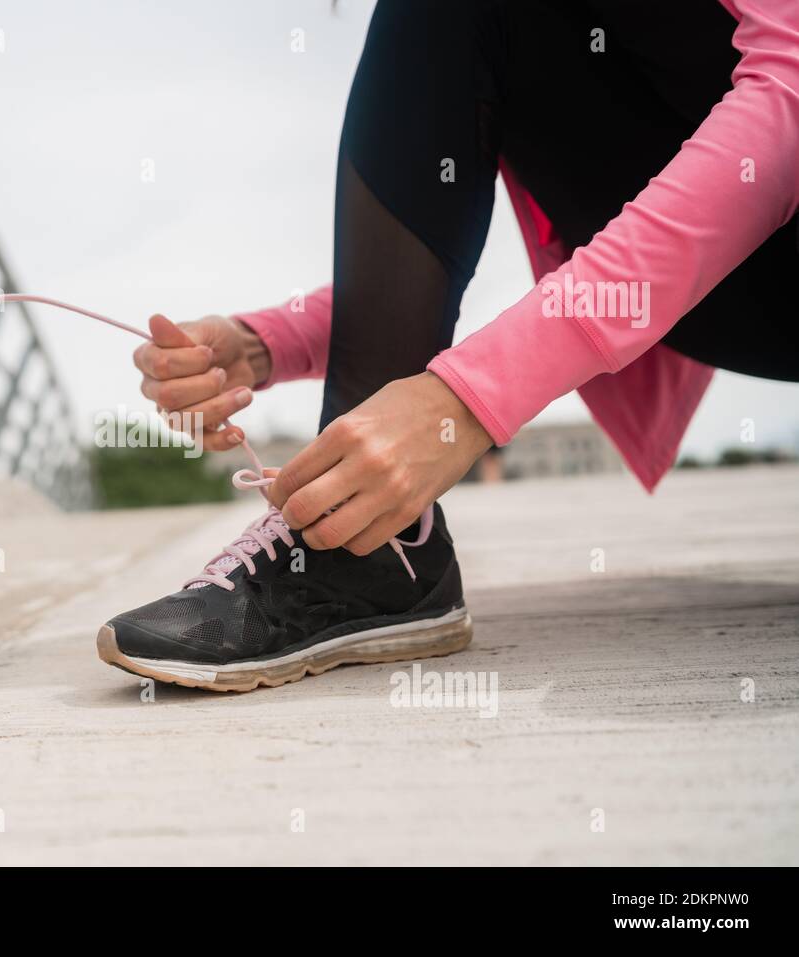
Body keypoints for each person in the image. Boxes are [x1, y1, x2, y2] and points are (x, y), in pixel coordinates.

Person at [95, 0, 799, 692]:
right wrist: (264, 344)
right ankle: (369, 557)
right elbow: (436, 246)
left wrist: (468, 400)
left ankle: (357, 552)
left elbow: (787, 101)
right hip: (731, 288)